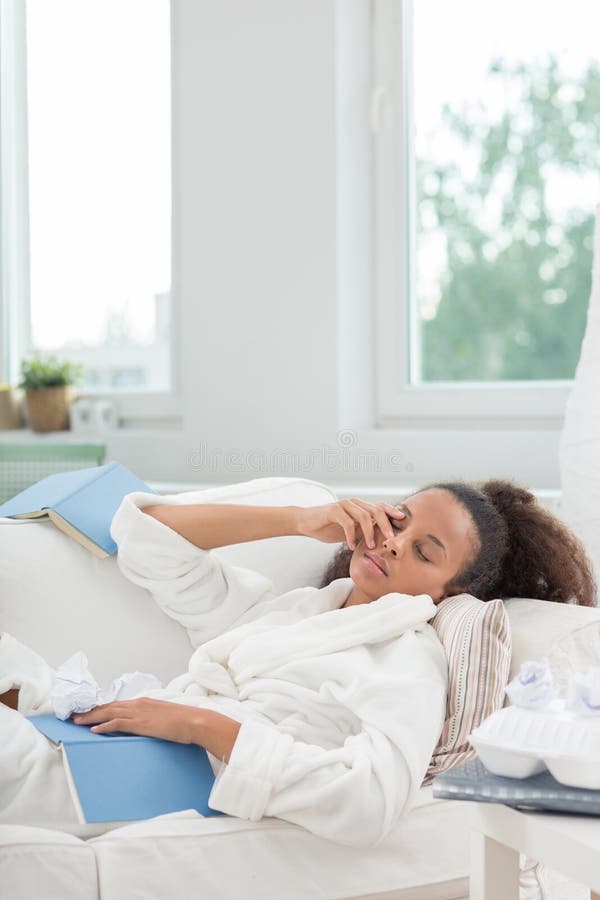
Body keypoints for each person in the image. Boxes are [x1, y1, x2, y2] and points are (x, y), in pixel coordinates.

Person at [0, 479, 595, 845]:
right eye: (399, 520)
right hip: (113, 737)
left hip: (167, 775)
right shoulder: (293, 610)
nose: (391, 542)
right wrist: (301, 520)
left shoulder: (407, 658)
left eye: (423, 551)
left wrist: (197, 724)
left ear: (444, 595)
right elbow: (144, 536)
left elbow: (371, 800)